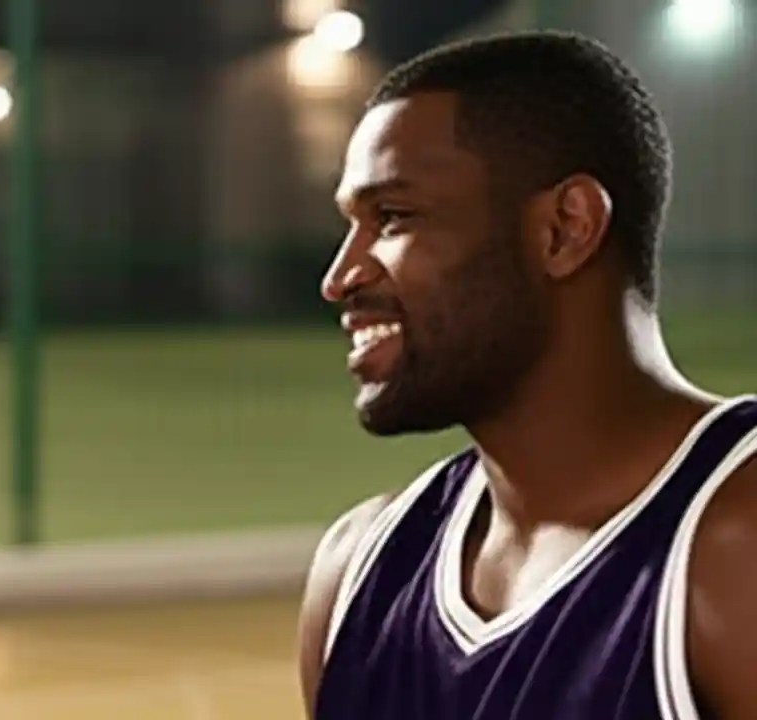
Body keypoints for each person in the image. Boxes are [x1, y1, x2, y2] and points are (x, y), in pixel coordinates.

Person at [297, 30, 757, 720]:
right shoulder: (358, 572)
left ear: (564, 229)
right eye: (350, 224)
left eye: (392, 218)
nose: (340, 278)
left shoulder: (733, 545)